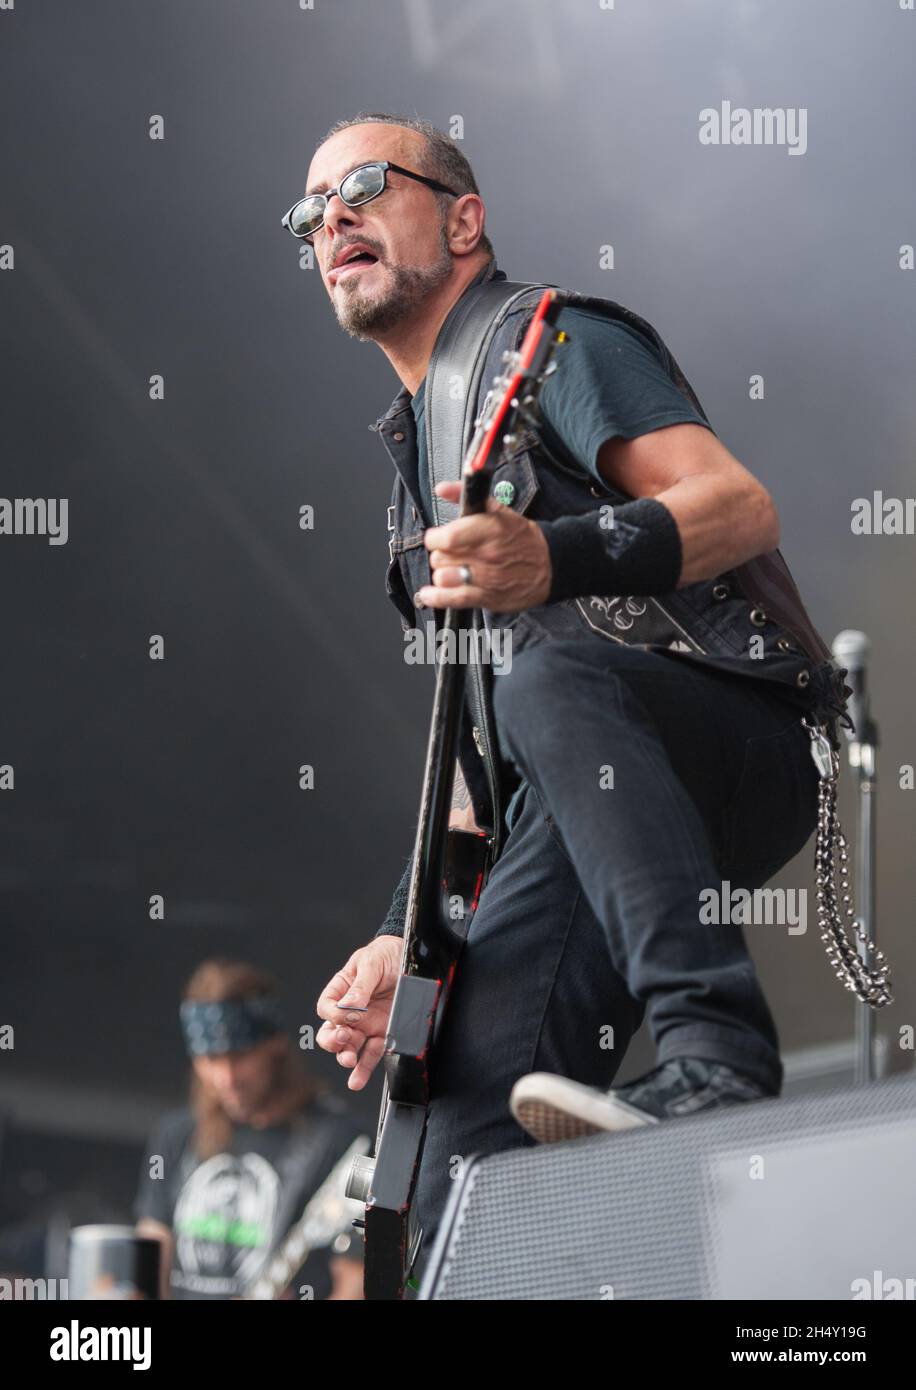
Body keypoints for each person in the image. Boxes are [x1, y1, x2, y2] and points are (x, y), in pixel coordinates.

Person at [289, 113, 849, 1255]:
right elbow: (471, 769)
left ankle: (718, 1052)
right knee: (451, 1143)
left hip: (724, 732)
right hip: (569, 799)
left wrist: (555, 556)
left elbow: (736, 507)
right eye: (309, 211)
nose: (329, 217)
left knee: (549, 687)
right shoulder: (416, 477)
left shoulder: (550, 341)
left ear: (462, 218)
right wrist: (404, 929)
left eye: (360, 184)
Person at [134, 958, 364, 1300]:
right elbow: (149, 1260)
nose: (226, 1077)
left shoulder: (346, 1143)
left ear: (275, 1045)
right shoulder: (175, 1135)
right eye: (211, 1059)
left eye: (240, 1056)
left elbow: (356, 1283)